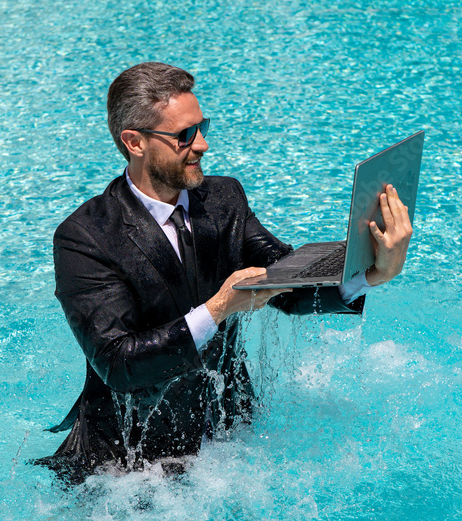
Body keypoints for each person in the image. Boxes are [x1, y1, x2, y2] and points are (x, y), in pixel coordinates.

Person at [35, 62, 412, 483]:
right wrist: (217, 308)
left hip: (223, 432)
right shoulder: (85, 238)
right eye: (184, 135)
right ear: (134, 142)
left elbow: (283, 281)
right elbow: (118, 363)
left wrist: (371, 271)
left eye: (202, 126)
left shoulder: (223, 199)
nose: (202, 145)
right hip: (124, 460)